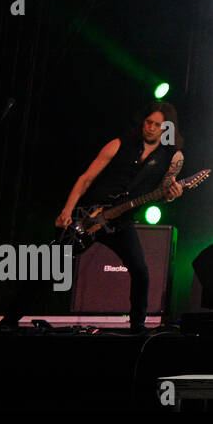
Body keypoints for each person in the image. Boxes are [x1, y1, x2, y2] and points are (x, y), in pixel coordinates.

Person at [54, 103, 185, 332]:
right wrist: (67, 211)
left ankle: (137, 327)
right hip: (89, 216)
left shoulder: (172, 157)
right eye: (149, 122)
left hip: (120, 222)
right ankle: (11, 319)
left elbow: (163, 194)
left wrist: (173, 196)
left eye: (158, 125)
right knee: (51, 265)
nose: (151, 128)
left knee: (140, 271)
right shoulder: (118, 144)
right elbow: (85, 179)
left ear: (167, 129)